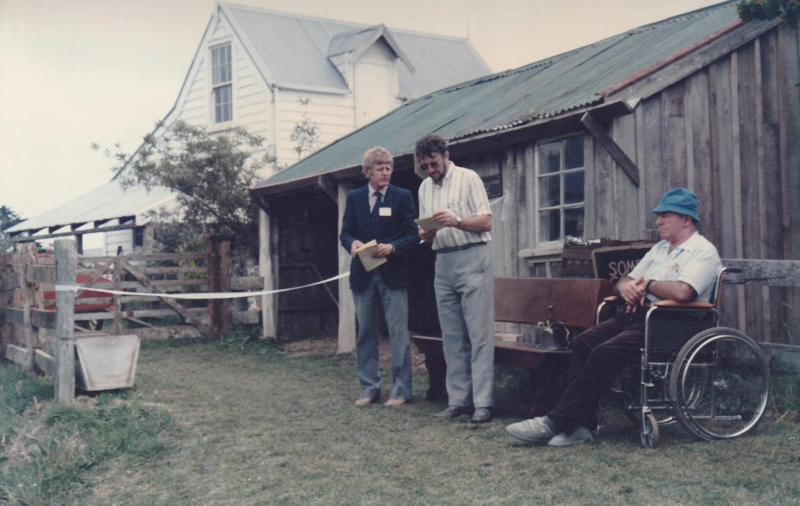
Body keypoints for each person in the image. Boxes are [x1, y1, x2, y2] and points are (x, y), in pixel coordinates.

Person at [506, 187, 722, 446]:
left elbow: (684, 291)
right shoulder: (660, 249)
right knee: (584, 342)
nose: (658, 221)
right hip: (642, 316)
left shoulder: (702, 251)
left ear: (686, 219)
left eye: (665, 215)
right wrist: (626, 288)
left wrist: (648, 285)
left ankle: (556, 421)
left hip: (674, 322)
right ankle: (581, 428)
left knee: (605, 352)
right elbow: (626, 278)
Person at [415, 134, 495, 423]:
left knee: (479, 334)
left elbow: (486, 221)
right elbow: (425, 231)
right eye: (425, 165)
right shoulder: (425, 187)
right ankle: (458, 400)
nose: (430, 169)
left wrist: (457, 220)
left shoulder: (468, 178)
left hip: (473, 256)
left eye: (434, 162)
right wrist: (426, 233)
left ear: (445, 155)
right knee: (451, 336)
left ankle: (483, 403)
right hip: (443, 260)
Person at [340, 147, 419, 407]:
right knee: (366, 333)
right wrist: (352, 244)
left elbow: (412, 235)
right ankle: (369, 389)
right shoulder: (354, 198)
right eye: (380, 168)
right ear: (367, 172)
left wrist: (393, 247)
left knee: (398, 333)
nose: (386, 173)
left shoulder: (402, 197)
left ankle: (401, 391)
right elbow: (345, 233)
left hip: (393, 275)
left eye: (389, 168)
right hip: (363, 275)